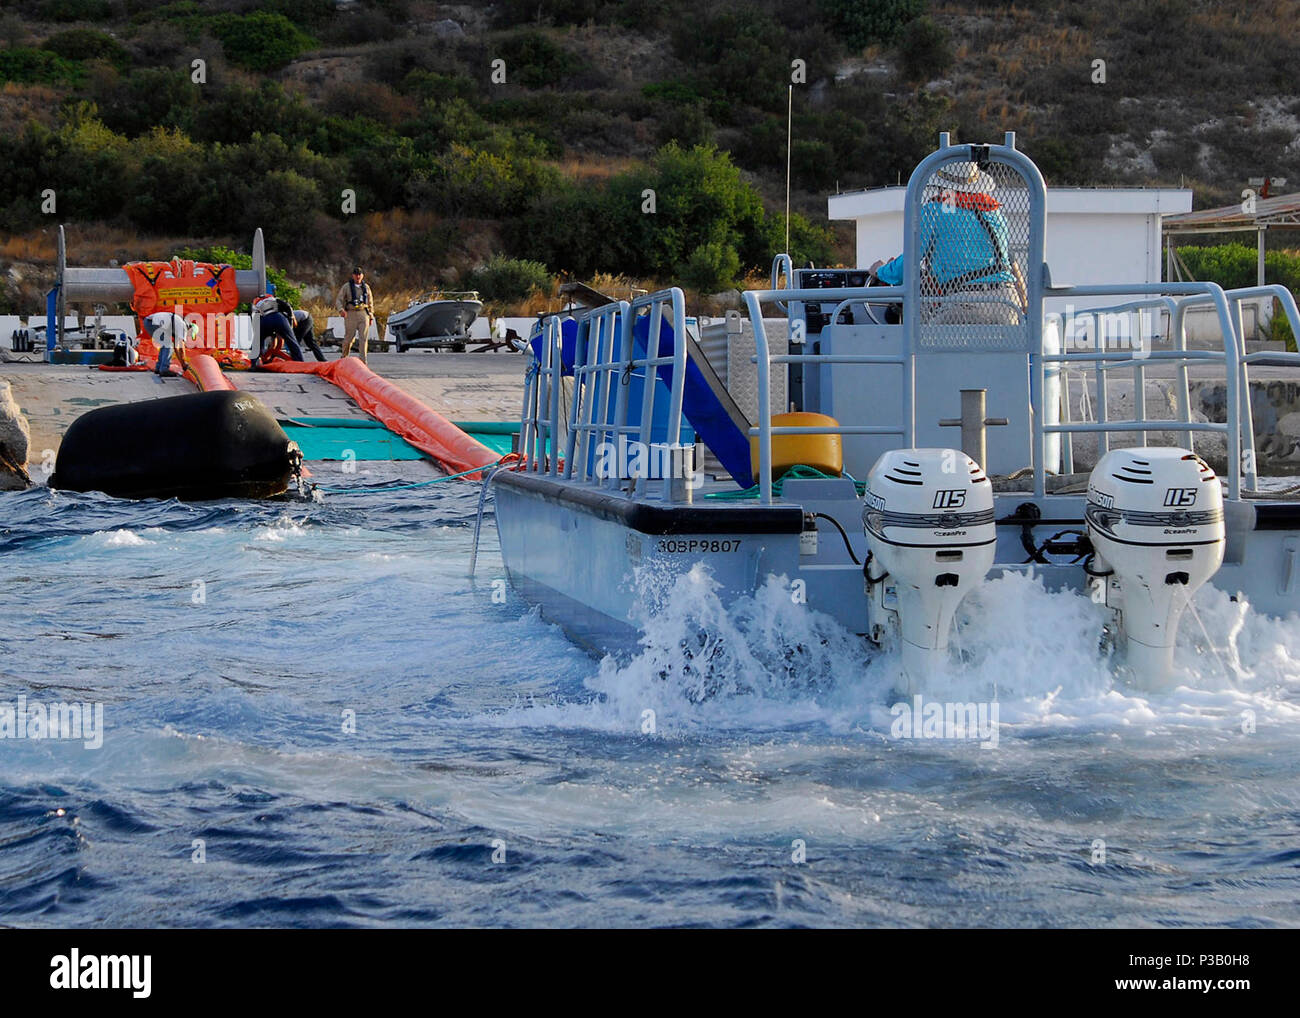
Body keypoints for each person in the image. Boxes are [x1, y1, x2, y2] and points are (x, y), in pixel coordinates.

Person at [869, 163, 1028, 325]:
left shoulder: (934, 211)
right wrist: (1024, 305)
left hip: (963, 304)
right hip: (1008, 304)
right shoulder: (994, 212)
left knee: (922, 342)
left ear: (941, 186)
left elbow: (909, 263)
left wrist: (881, 271)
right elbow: (1011, 264)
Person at [335, 266, 374, 363]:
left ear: (362, 275)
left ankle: (363, 361)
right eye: (356, 274)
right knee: (349, 338)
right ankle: (344, 357)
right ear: (353, 275)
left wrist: (371, 316)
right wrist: (341, 310)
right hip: (351, 313)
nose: (358, 276)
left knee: (363, 339)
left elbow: (370, 303)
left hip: (363, 313)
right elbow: (339, 300)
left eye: (359, 274)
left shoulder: (366, 287)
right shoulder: (346, 287)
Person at [252, 294, 304, 363]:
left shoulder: (256, 303)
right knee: (292, 341)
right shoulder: (275, 300)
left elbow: (256, 319)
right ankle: (299, 362)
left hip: (264, 320)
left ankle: (254, 363)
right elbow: (287, 307)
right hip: (279, 319)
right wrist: (291, 322)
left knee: (257, 342)